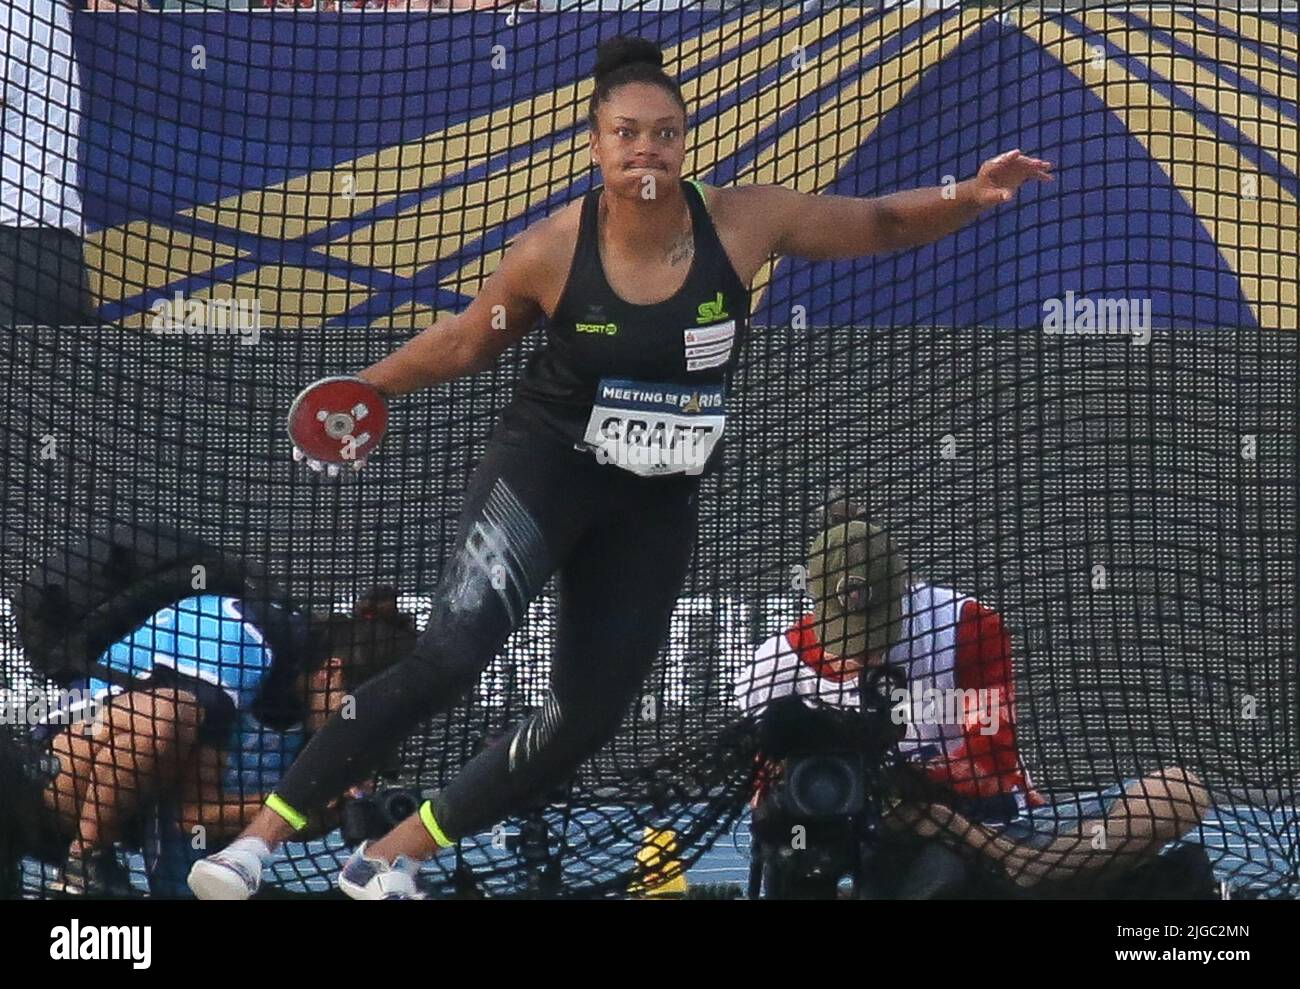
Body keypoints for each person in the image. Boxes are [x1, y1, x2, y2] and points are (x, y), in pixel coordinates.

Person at [188, 33, 1053, 901]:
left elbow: (880, 221)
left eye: (665, 133)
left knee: (585, 718)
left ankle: (390, 854)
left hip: (655, 501)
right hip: (544, 472)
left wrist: (971, 193)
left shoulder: (746, 220)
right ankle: (254, 846)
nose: (648, 148)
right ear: (596, 144)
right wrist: (365, 388)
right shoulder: (553, 249)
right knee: (451, 656)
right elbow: (464, 341)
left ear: (686, 141)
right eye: (628, 132)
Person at [735, 496, 1212, 896]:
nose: (864, 653)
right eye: (846, 636)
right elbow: (768, 805)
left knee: (1177, 792)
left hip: (994, 825)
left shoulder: (964, 627)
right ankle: (1051, 878)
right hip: (869, 844)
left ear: (904, 589)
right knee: (931, 875)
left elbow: (991, 769)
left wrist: (921, 799)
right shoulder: (777, 663)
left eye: (876, 630)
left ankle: (1025, 869)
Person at [26, 586, 415, 896]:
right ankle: (84, 865)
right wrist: (290, 804)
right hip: (59, 775)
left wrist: (320, 811)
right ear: (332, 673)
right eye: (350, 714)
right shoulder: (243, 646)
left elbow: (227, 818)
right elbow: (192, 813)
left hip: (144, 809)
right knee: (169, 714)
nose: (349, 729)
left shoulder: (308, 701)